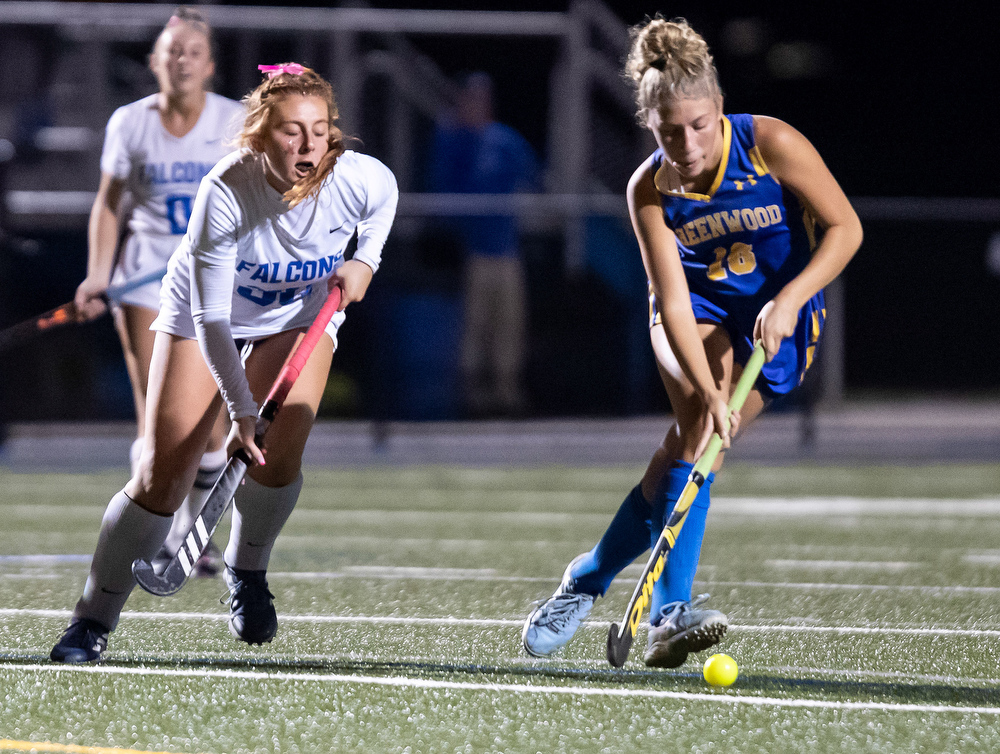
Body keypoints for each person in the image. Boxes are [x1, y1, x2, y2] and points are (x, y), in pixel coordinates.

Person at [521, 16, 862, 668]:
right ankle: (668, 618)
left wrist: (790, 299)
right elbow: (673, 299)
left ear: (720, 110)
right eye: (669, 130)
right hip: (695, 312)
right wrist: (711, 391)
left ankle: (587, 579)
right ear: (649, 125)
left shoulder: (771, 143)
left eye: (700, 125)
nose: (688, 142)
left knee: (680, 454)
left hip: (781, 318)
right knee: (703, 437)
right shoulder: (648, 187)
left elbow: (846, 228)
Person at [49, 63, 398, 663]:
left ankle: (247, 570)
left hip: (296, 317)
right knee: (165, 473)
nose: (310, 145)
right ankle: (93, 617)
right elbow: (213, 321)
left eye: (320, 129)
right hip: (203, 315)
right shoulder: (226, 192)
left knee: (281, 448)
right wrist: (239, 411)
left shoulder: (361, 180)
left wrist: (366, 260)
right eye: (291, 131)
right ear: (262, 135)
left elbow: (384, 201)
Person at [72, 7, 245, 577]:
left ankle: (194, 541)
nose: (182, 60)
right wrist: (98, 274)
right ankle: (160, 537)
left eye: (193, 51)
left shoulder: (234, 121)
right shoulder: (130, 123)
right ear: (154, 61)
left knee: (213, 428)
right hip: (147, 281)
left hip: (216, 284)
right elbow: (108, 203)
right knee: (160, 421)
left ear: (210, 64)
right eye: (172, 50)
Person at [427, 71, 539, 418]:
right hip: (470, 251)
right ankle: (471, 394)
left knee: (509, 321)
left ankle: (506, 391)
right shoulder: (454, 141)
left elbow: (531, 179)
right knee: (474, 323)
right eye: (468, 99)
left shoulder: (505, 141)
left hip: (505, 248)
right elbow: (440, 184)